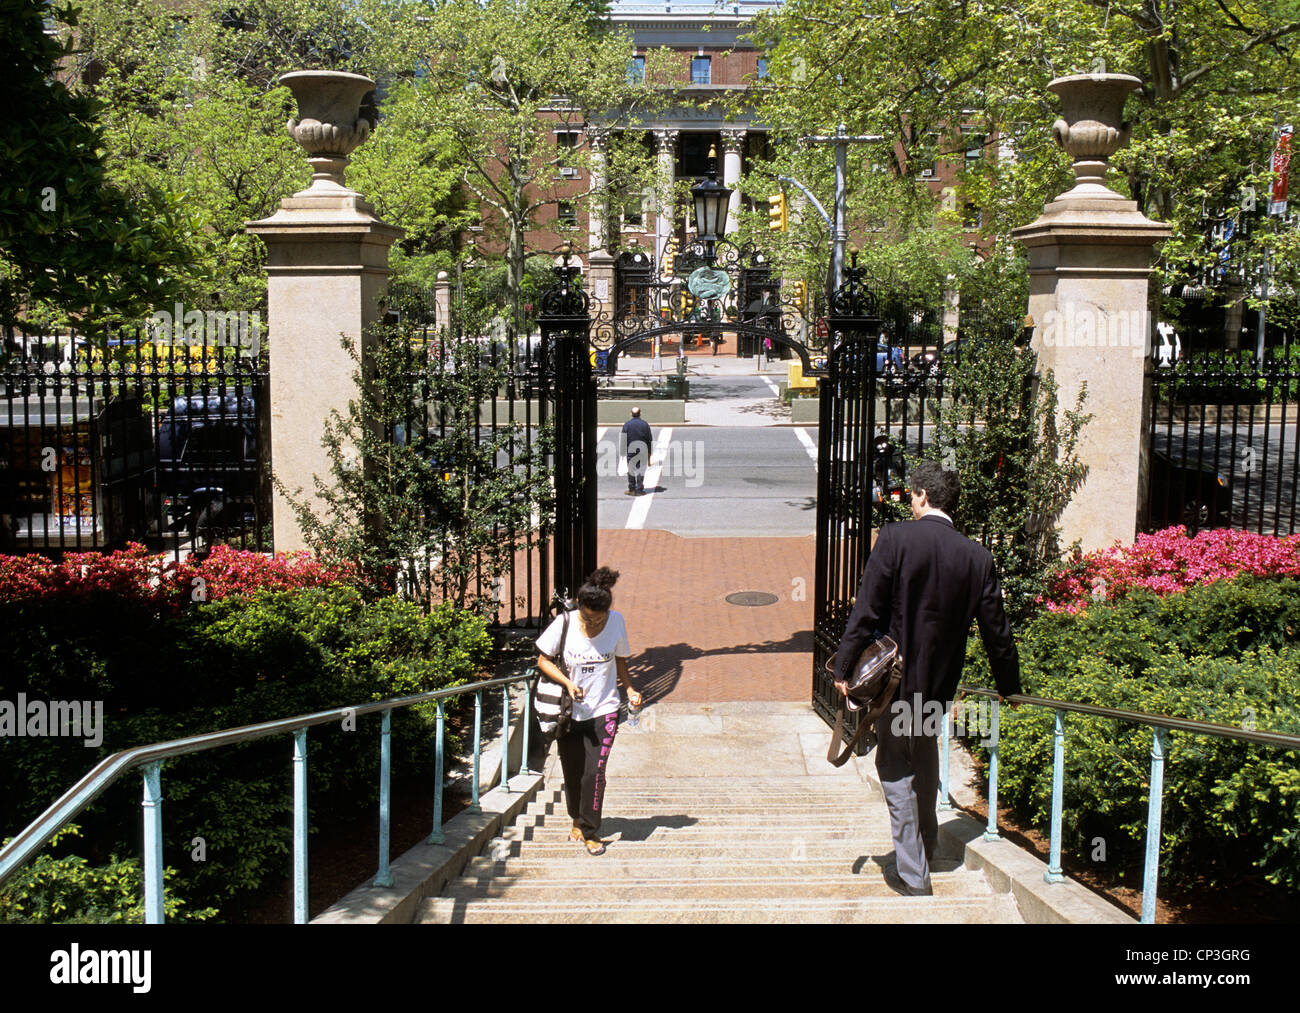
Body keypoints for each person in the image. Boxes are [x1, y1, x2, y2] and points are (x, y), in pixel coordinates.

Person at [833, 461, 1021, 896]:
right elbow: (998, 633)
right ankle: (930, 843)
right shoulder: (977, 557)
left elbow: (867, 610)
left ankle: (914, 874)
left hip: (894, 684)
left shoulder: (896, 538)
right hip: (937, 688)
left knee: (894, 765)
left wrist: (843, 668)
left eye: (913, 495)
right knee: (923, 755)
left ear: (921, 496)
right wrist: (1009, 687)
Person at [535, 568, 642, 856]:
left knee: (595, 773)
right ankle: (577, 820)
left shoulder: (617, 622)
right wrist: (567, 683)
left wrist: (630, 689)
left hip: (604, 710)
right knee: (573, 772)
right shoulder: (565, 622)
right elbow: (543, 661)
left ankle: (591, 831)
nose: (593, 624)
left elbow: (620, 662)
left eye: (599, 619)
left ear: (608, 611)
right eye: (587, 618)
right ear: (579, 609)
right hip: (569, 713)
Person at [621, 406, 652, 496]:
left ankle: (632, 489)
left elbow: (623, 439)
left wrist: (623, 452)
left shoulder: (627, 425)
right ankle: (639, 489)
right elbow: (649, 439)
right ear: (640, 413)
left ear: (631, 413)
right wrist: (649, 453)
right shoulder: (645, 424)